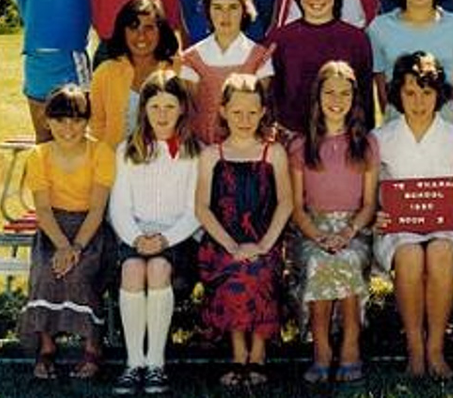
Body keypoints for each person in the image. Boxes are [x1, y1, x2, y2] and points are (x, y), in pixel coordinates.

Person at [370, 52, 453, 379]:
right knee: (411, 254)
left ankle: (436, 349)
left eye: (427, 92)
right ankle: (415, 347)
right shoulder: (381, 138)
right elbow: (372, 192)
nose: (419, 101)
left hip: (447, 229)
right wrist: (377, 215)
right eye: (410, 92)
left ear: (439, 94)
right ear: (397, 94)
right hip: (398, 230)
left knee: (441, 252)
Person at [195, 73, 294, 388]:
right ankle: (239, 352)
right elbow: (202, 208)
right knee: (237, 272)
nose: (245, 119)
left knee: (259, 272)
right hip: (223, 246)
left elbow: (286, 203)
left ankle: (259, 352)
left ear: (264, 111)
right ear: (223, 110)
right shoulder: (212, 156)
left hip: (265, 243)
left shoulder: (273, 153)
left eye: (252, 112)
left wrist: (264, 245)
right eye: (237, 112)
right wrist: (231, 246)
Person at [108, 72, 203, 395]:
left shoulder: (194, 153)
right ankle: (134, 363)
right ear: (144, 110)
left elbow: (196, 211)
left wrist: (164, 240)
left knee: (159, 267)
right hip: (135, 236)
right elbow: (118, 207)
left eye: (169, 106)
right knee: (133, 269)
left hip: (178, 239)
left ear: (181, 110)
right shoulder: (127, 151)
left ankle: (156, 364)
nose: (162, 114)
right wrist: (137, 239)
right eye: (155, 106)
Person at [288, 61, 379, 384]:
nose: (337, 100)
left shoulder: (366, 144)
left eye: (344, 93)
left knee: (349, 260)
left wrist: (348, 231)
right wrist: (318, 236)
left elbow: (369, 204)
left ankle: (351, 343)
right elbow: (296, 207)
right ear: (318, 97)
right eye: (330, 93)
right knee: (318, 263)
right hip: (312, 229)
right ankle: (322, 350)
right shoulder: (301, 146)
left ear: (355, 99)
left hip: (355, 227)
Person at [18, 84, 114, 381]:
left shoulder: (102, 152)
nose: (68, 127)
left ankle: (92, 346)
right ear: (47, 121)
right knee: (47, 272)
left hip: (90, 230)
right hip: (53, 230)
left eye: (77, 119)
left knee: (80, 272)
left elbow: (98, 209)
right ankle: (46, 347)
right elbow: (43, 211)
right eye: (60, 119)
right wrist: (62, 246)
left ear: (87, 120)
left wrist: (76, 248)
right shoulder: (38, 155)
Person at [266, 0, 373, 136]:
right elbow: (269, 97)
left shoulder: (356, 39)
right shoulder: (279, 39)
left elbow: (366, 98)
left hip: (342, 139)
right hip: (293, 139)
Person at [14, 0, 93, 143]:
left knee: (75, 134)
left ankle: (77, 180)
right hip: (36, 63)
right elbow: (27, 15)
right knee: (44, 135)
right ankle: (44, 179)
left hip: (71, 63)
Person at [181, 0, 274, 145]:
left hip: (249, 147)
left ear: (244, 11)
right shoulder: (191, 58)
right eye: (217, 8)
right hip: (203, 147)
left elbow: (261, 107)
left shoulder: (260, 57)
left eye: (233, 7)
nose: (225, 15)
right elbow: (190, 109)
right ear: (208, 12)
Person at [89, 0, 181, 150]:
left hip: (167, 166)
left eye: (149, 28)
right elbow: (97, 127)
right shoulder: (104, 73)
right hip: (116, 166)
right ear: (122, 31)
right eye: (133, 27)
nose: (141, 36)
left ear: (161, 30)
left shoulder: (179, 71)